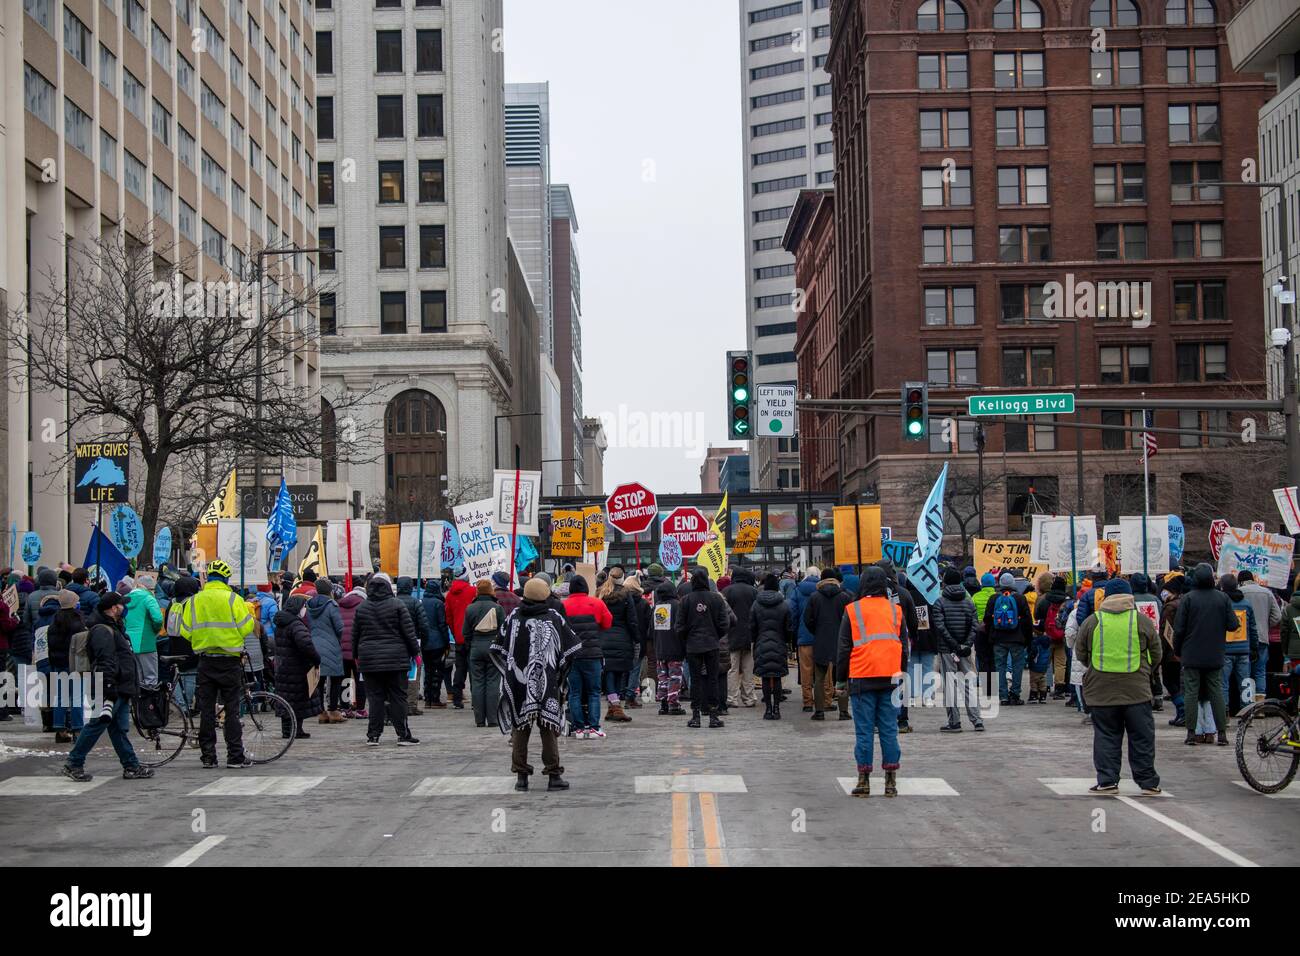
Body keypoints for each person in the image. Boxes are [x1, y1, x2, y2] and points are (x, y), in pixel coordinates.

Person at [490, 575, 582, 791]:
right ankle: (553, 775)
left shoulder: (514, 617)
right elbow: (571, 649)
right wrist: (560, 674)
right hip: (547, 681)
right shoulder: (553, 617)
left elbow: (499, 647)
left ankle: (521, 777)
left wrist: (511, 670)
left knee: (520, 727)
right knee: (548, 727)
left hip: (518, 682)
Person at [1074, 578, 1162, 796]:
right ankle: (1148, 782)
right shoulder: (1141, 621)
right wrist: (1145, 670)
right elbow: (1157, 652)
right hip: (1137, 692)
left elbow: (1080, 653)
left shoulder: (1093, 622)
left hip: (1101, 693)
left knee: (1106, 736)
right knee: (1141, 737)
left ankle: (1107, 781)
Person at [62, 592, 154, 782]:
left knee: (118, 729)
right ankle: (74, 762)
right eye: (121, 605)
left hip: (120, 685)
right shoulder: (103, 630)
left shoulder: (113, 626)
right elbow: (105, 660)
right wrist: (109, 686)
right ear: (113, 608)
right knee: (98, 724)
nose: (124, 608)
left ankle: (131, 766)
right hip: (111, 686)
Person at [178, 560, 257, 768]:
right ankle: (234, 756)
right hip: (230, 660)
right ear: (226, 578)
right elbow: (246, 627)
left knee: (206, 710)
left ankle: (208, 756)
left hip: (205, 660)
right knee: (231, 710)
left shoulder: (195, 600)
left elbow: (185, 630)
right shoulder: (233, 599)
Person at [836, 567, 905, 797]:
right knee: (889, 730)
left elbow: (844, 647)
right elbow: (903, 645)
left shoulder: (853, 610)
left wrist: (840, 680)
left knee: (864, 731)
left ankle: (864, 780)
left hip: (861, 677)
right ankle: (890, 782)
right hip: (891, 677)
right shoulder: (896, 610)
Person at [352, 572, 420, 746]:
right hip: (395, 659)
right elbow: (409, 633)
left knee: (375, 698)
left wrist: (356, 656)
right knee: (398, 697)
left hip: (369, 660)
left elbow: (355, 636)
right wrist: (415, 652)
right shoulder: (398, 605)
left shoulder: (362, 608)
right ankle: (403, 734)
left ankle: (373, 735)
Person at [1173, 563, 1238, 746]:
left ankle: (1191, 733)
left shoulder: (1188, 598)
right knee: (1216, 692)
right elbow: (1233, 625)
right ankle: (1222, 733)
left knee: (1191, 693)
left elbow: (1179, 630)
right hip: (1215, 653)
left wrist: (1178, 651)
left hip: (1191, 653)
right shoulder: (1222, 598)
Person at [932, 569, 984, 732]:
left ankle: (954, 721)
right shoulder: (969, 602)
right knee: (968, 684)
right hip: (964, 650)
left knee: (950, 686)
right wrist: (965, 645)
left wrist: (954, 645)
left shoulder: (939, 602)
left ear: (945, 582)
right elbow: (974, 626)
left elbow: (940, 626)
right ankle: (977, 720)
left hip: (947, 650)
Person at [679, 567, 730, 728]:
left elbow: (679, 626)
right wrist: (715, 635)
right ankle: (713, 715)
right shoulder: (716, 599)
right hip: (711, 644)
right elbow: (724, 623)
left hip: (693, 645)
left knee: (696, 680)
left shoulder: (686, 600)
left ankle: (696, 715)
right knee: (713, 680)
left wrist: (687, 638)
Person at [803, 568, 854, 721]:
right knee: (842, 678)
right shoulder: (845, 597)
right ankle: (843, 711)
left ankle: (819, 711)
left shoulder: (814, 597)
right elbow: (851, 620)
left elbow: (807, 620)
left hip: (821, 641)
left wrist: (817, 632)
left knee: (819, 678)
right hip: (841, 643)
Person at [563, 574, 611, 736]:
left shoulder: (564, 605)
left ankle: (578, 728)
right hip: (593, 655)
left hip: (572, 656)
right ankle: (594, 727)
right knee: (593, 692)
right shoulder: (597, 603)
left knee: (574, 692)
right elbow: (607, 623)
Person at [273, 593, 322, 739]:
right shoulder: (296, 624)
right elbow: (305, 644)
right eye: (303, 606)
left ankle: (287, 730)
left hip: (282, 666)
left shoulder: (281, 623)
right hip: (297, 667)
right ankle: (296, 729)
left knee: (285, 697)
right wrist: (315, 658)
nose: (304, 609)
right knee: (298, 699)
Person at [983, 572, 1033, 705]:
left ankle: (1003, 696)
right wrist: (1027, 639)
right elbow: (1028, 621)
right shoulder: (1020, 598)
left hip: (998, 639)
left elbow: (987, 620)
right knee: (1017, 667)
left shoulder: (994, 598)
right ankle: (1015, 694)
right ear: (1013, 584)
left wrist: (991, 635)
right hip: (1017, 639)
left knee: (1000, 667)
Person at [597, 567, 639, 723]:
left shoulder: (600, 593)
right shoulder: (626, 594)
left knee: (608, 672)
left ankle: (611, 706)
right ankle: (616, 707)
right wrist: (636, 638)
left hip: (603, 638)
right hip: (623, 638)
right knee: (619, 673)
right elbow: (632, 620)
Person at [750, 573, 793, 720]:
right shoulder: (784, 605)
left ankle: (768, 709)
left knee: (765, 678)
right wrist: (787, 641)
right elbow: (789, 627)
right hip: (779, 643)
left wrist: (755, 640)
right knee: (778, 676)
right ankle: (777, 708)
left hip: (762, 643)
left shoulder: (756, 604)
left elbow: (752, 626)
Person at [463, 579, 504, 728]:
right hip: (493, 647)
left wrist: (471, 644)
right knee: (493, 682)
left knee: (477, 683)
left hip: (476, 647)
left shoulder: (470, 608)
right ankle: (492, 718)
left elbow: (465, 632)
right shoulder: (497, 608)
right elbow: (503, 630)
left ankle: (479, 719)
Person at [1236, 569, 1280, 706]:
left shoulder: (1240, 593)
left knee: (1246, 672)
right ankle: (1260, 706)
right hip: (1262, 637)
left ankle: (1248, 705)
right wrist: (1265, 625)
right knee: (1260, 671)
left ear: (1240, 581)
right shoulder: (1267, 593)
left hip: (1243, 638)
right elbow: (1277, 616)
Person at [306, 578, 346, 723]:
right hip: (331, 645)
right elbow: (340, 627)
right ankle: (333, 710)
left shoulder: (309, 605)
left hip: (314, 644)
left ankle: (321, 711)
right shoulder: (331, 605)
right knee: (335, 679)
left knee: (319, 680)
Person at [1218, 573, 1258, 718]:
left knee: (1223, 684)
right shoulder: (1246, 604)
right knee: (1245, 682)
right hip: (1243, 649)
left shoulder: (1221, 603)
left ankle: (1224, 713)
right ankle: (1248, 713)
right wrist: (1254, 647)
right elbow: (1252, 627)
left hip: (1225, 650)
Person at [394, 576, 431, 717]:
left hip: (395, 644)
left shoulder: (392, 602)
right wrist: (423, 641)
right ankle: (411, 705)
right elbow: (423, 625)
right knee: (413, 675)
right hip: (413, 643)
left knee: (396, 675)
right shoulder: (416, 603)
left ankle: (397, 703)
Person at [723, 568, 759, 708]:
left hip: (731, 635)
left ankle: (732, 698)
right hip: (750, 635)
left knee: (732, 669)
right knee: (748, 668)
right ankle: (749, 697)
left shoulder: (727, 591)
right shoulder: (754, 592)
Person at [789, 567, 824, 712]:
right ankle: (825, 700)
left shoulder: (797, 591)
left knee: (806, 671)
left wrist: (795, 633)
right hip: (822, 638)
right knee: (823, 671)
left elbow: (793, 613)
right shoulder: (822, 591)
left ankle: (808, 702)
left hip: (804, 637)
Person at [123, 570, 165, 690]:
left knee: (138, 679)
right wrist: (155, 631)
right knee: (150, 679)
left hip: (128, 643)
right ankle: (149, 706)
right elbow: (158, 619)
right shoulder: (149, 598)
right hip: (146, 642)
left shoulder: (125, 598)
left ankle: (138, 706)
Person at [651, 577, 686, 716]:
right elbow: (682, 627)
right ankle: (673, 703)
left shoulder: (656, 607)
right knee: (675, 676)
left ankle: (663, 702)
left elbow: (650, 629)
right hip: (675, 647)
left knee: (663, 677)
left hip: (659, 647)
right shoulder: (678, 605)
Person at [1036, 576, 1070, 699]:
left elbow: (1037, 615)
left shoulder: (1045, 599)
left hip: (1047, 634)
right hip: (1062, 635)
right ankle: (1059, 688)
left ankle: (1044, 687)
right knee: (1061, 664)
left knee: (1046, 662)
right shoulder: (1067, 600)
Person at [1159, 574, 1187, 727]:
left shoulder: (1170, 607)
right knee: (1177, 682)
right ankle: (1181, 712)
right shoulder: (1183, 603)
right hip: (1183, 650)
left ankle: (1182, 710)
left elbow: (1166, 632)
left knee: (1170, 682)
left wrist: (1161, 653)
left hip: (1171, 652)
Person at [445, 572, 475, 709]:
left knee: (460, 668)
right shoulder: (473, 591)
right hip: (473, 636)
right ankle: (477, 700)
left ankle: (457, 698)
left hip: (459, 636)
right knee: (475, 669)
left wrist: (455, 631)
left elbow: (449, 617)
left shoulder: (450, 595)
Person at [337, 582, 367, 718]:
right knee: (360, 680)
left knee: (345, 679)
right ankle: (360, 709)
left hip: (342, 648)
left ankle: (344, 708)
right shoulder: (364, 605)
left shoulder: (340, 605)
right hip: (358, 650)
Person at [420, 578, 451, 707]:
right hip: (437, 641)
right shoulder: (438, 603)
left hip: (425, 641)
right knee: (438, 670)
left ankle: (427, 698)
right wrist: (446, 641)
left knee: (428, 670)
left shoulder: (421, 602)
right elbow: (442, 624)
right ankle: (435, 698)